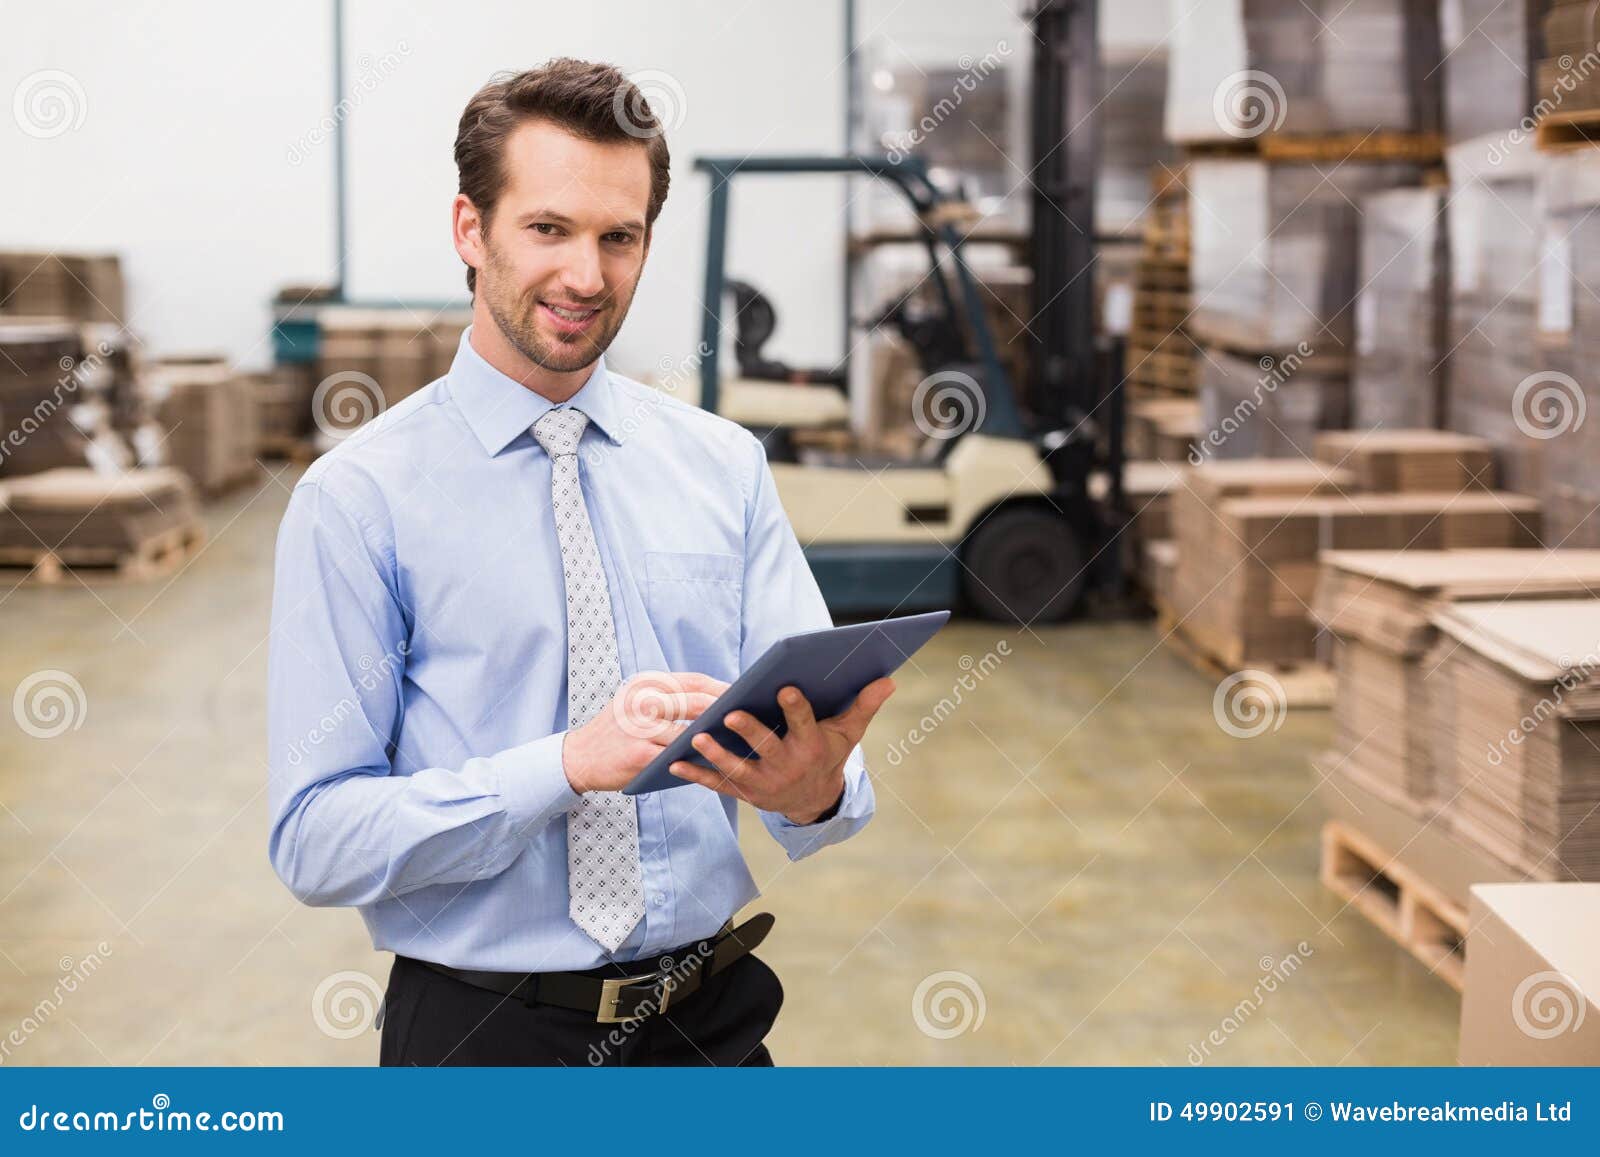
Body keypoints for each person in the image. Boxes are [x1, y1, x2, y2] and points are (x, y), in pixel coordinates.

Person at [266, 58, 895, 1067]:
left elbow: (823, 752)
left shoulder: (721, 465)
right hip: (481, 1038)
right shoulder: (360, 500)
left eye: (620, 236)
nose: (587, 276)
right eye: (548, 229)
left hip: (709, 1025)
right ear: (471, 229)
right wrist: (560, 766)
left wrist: (814, 787)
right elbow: (314, 837)